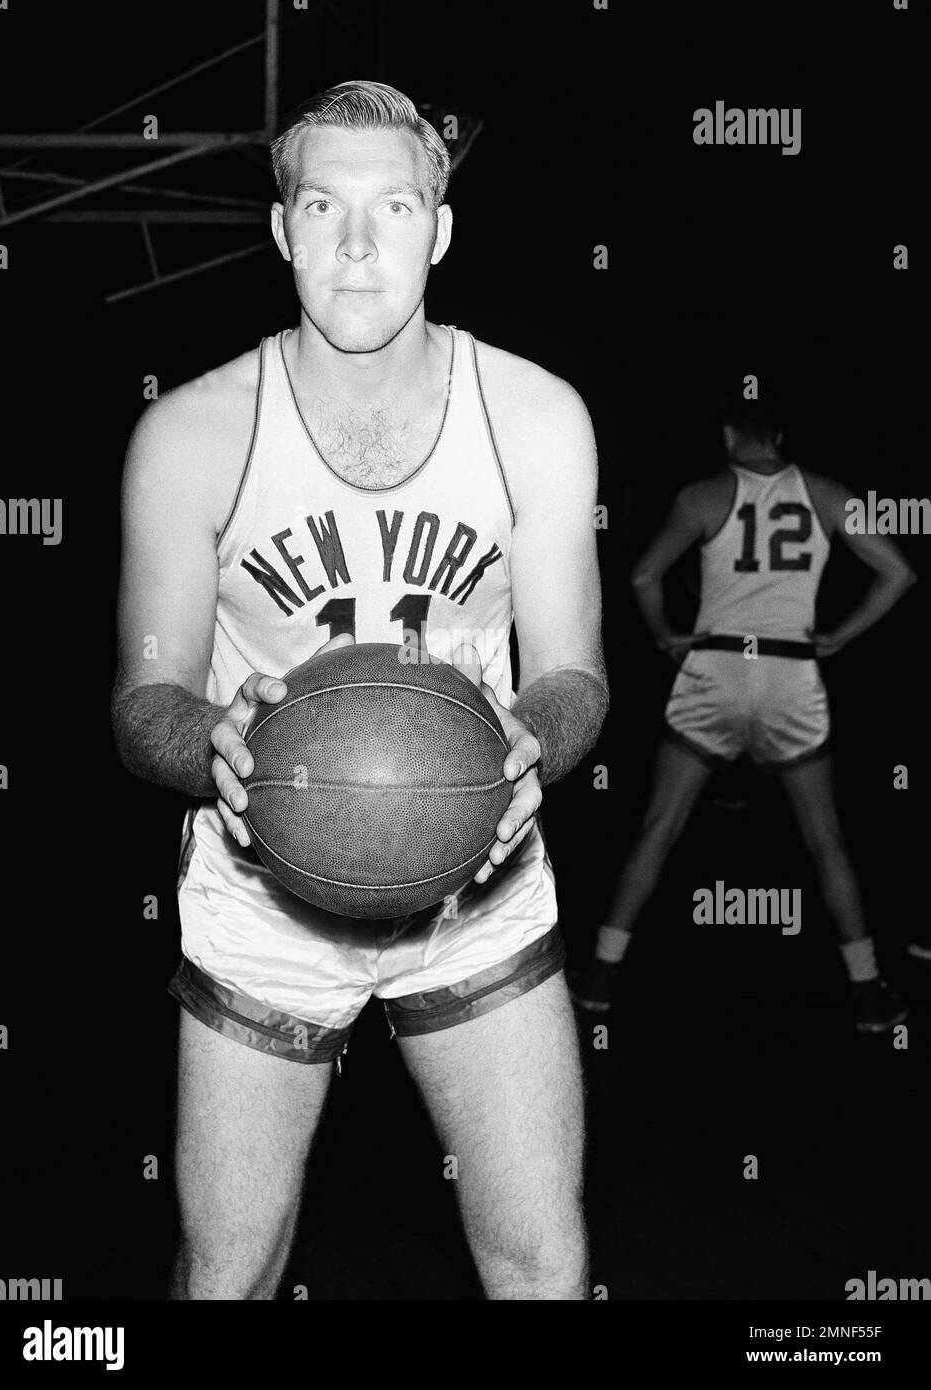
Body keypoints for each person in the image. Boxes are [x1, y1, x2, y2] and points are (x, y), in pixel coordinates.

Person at [111, 80, 608, 1300]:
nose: (355, 243)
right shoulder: (190, 433)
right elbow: (142, 701)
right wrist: (209, 743)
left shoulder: (537, 418)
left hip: (479, 872)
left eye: (393, 205)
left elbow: (574, 675)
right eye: (322, 204)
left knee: (541, 1259)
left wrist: (522, 746)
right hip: (260, 888)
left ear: (439, 228)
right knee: (226, 1268)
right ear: (280, 230)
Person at [572, 398, 915, 1034]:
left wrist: (665, 636)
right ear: (780, 433)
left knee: (659, 828)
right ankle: (869, 992)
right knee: (825, 838)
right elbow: (896, 571)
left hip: (715, 669)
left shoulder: (703, 494)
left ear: (730, 433)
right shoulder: (828, 493)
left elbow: (645, 576)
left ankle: (600, 978)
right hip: (790, 672)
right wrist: (839, 636)